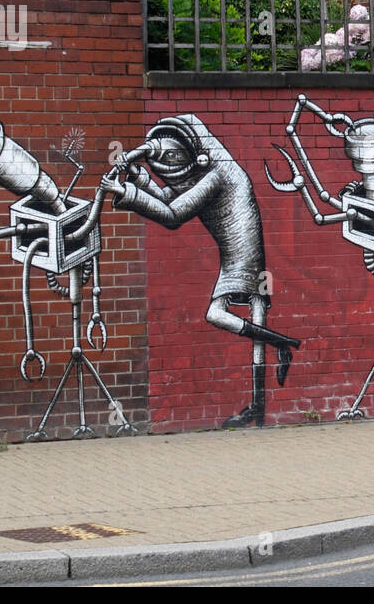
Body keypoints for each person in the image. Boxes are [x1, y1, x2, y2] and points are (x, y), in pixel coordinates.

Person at [100, 114, 299, 427]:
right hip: (241, 256)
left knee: (216, 315)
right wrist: (138, 176)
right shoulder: (210, 168)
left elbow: (172, 214)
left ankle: (281, 346)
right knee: (256, 322)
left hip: (242, 259)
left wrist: (126, 194)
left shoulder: (216, 175)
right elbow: (170, 196)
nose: (167, 163)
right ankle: (259, 406)